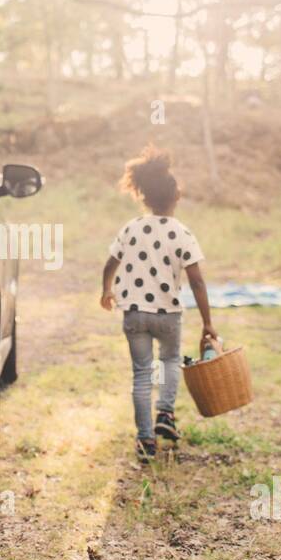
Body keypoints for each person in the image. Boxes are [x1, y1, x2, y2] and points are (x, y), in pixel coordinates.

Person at [101, 144, 217, 463]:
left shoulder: (131, 228)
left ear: (144, 197)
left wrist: (106, 291)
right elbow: (196, 280)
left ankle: (145, 441)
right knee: (169, 361)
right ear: (175, 197)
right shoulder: (182, 233)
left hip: (135, 313)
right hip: (168, 314)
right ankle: (165, 413)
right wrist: (208, 322)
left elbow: (110, 262)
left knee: (141, 374)